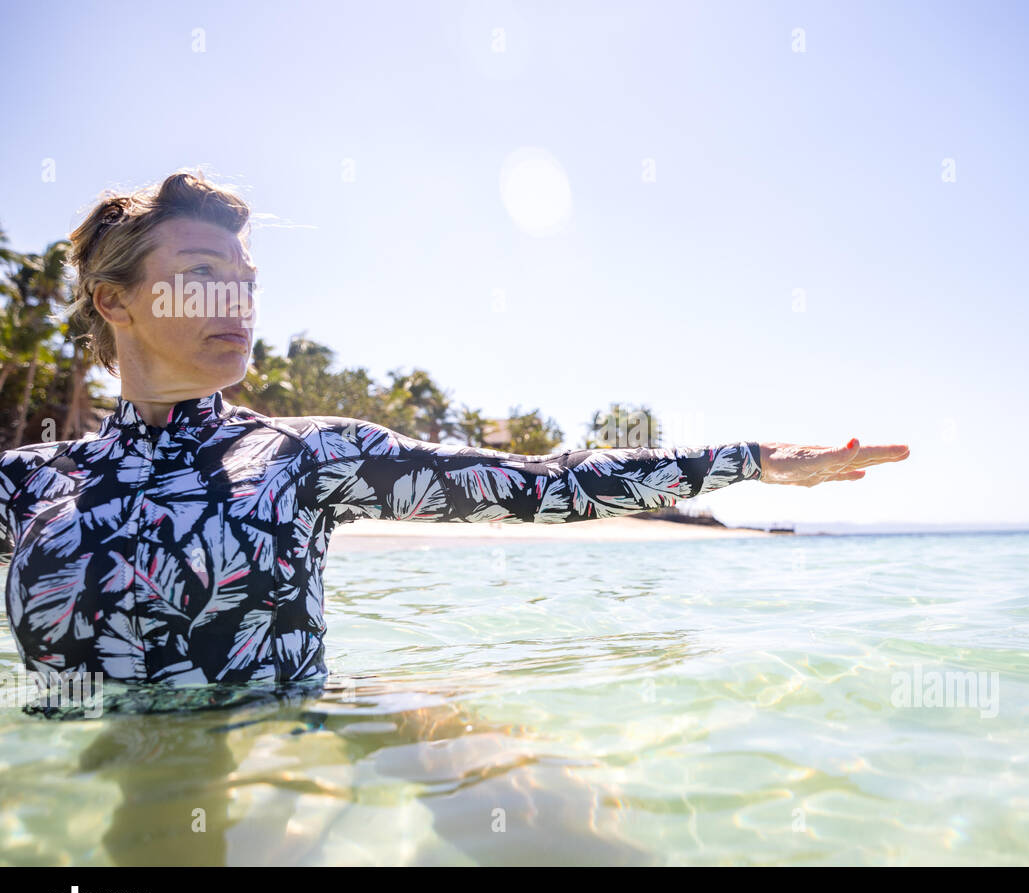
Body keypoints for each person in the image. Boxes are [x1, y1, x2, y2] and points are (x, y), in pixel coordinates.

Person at [0, 170, 910, 687]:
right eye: (205, 271)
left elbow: (539, 485)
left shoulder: (309, 458)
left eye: (246, 277)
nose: (236, 297)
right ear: (112, 298)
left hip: (269, 794)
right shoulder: (24, 485)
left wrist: (747, 461)